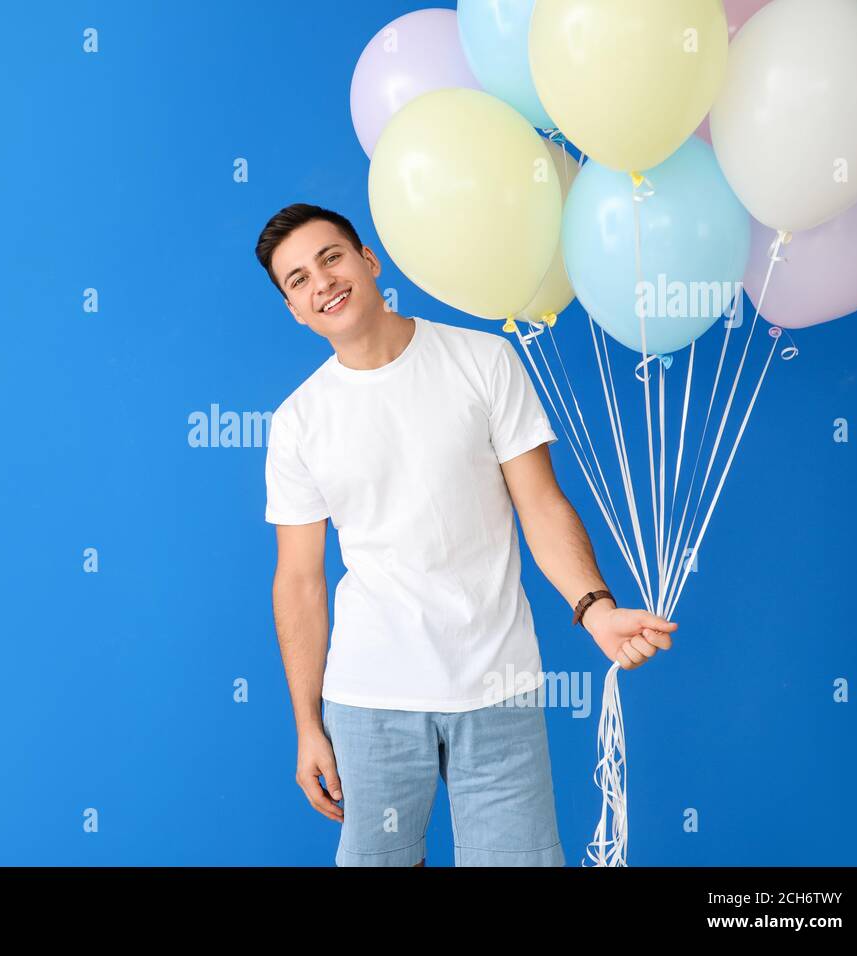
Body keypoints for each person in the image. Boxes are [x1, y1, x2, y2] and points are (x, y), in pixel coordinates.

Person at [256, 203, 678, 867]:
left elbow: (541, 504)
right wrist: (307, 725)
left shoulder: (483, 360)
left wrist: (595, 609)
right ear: (294, 310)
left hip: (497, 687)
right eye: (299, 279)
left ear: (368, 260)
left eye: (331, 257)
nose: (323, 282)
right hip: (369, 699)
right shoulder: (297, 422)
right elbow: (300, 580)